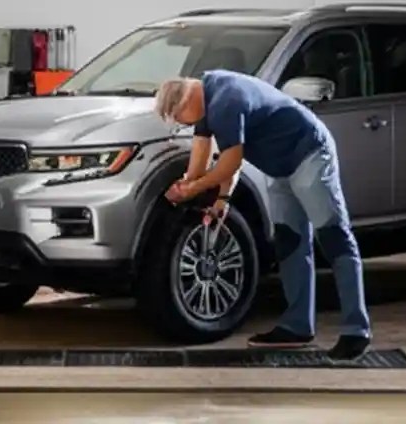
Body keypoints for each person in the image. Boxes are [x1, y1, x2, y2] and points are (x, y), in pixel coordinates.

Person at [154, 70, 371, 359]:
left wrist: (194, 189)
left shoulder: (226, 100)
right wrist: (210, 194)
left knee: (334, 237)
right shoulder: (205, 98)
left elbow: (231, 162)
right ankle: (297, 326)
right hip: (278, 168)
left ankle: (356, 331)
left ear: (185, 102)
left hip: (309, 154)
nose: (184, 124)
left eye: (180, 119)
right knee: (289, 241)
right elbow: (203, 154)